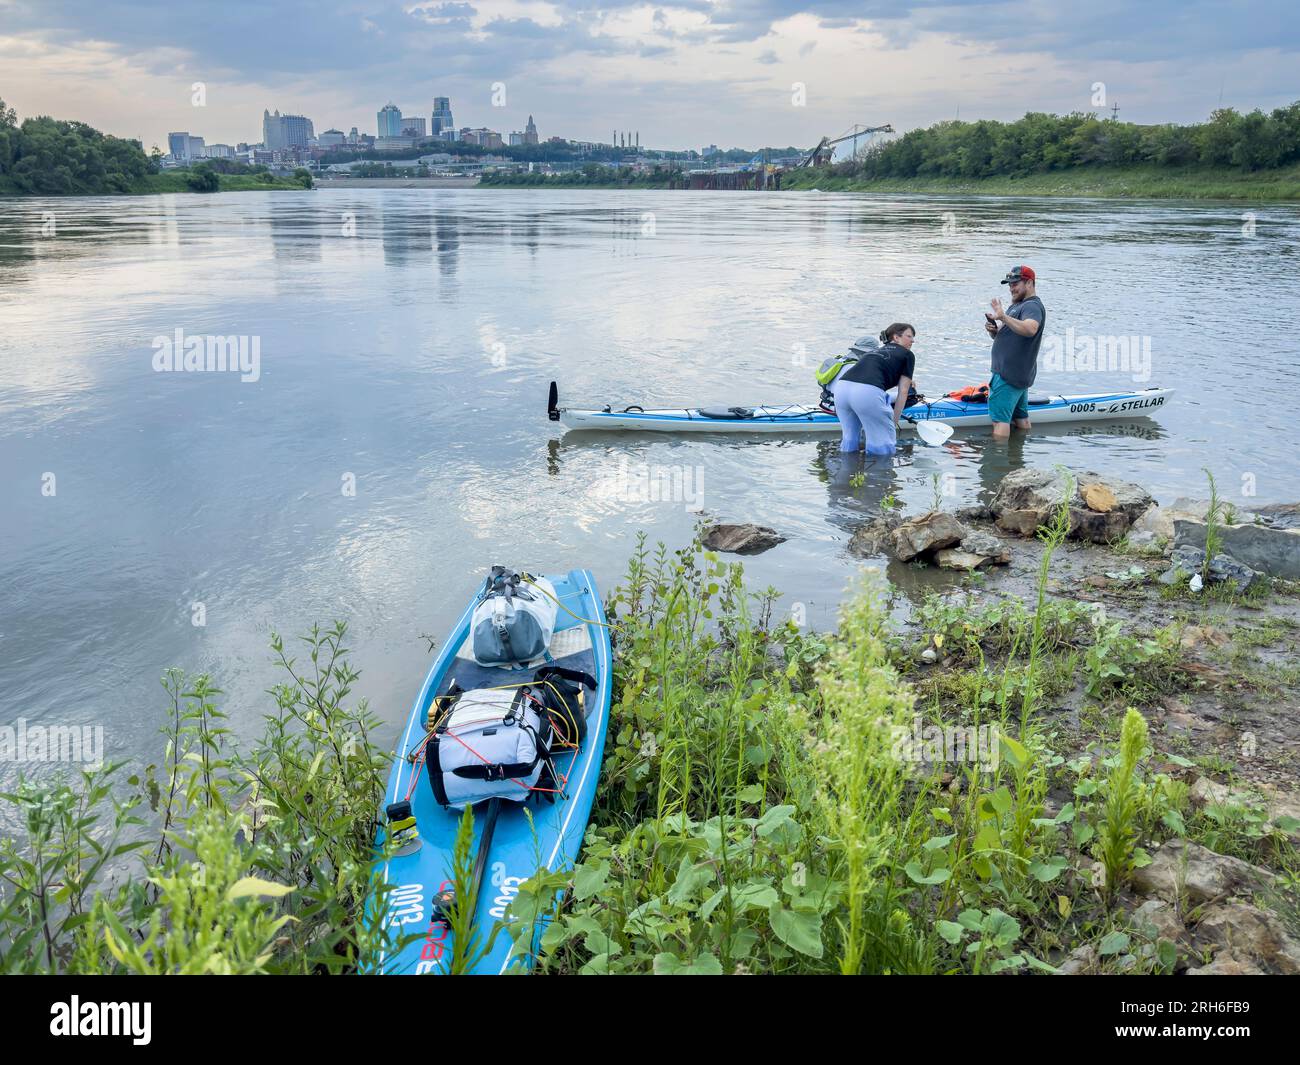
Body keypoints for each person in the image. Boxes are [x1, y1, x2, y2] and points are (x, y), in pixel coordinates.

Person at [829, 323, 916, 455]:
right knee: (882, 444)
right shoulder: (907, 354)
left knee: (849, 440)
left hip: (842, 389)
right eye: (909, 336)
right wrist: (894, 422)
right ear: (896, 338)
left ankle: (845, 471)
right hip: (866, 392)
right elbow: (903, 392)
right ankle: (879, 473)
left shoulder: (874, 352)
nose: (912, 340)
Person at [984, 265, 1046, 438]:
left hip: (1007, 375)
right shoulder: (1017, 306)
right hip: (1019, 374)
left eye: (1015, 283)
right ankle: (1019, 457)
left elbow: (1030, 329)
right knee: (1021, 419)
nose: (1011, 288)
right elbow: (1009, 335)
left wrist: (1003, 316)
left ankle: (999, 463)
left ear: (1029, 283)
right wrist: (995, 331)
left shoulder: (1031, 306)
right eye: (1009, 284)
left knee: (1000, 422)